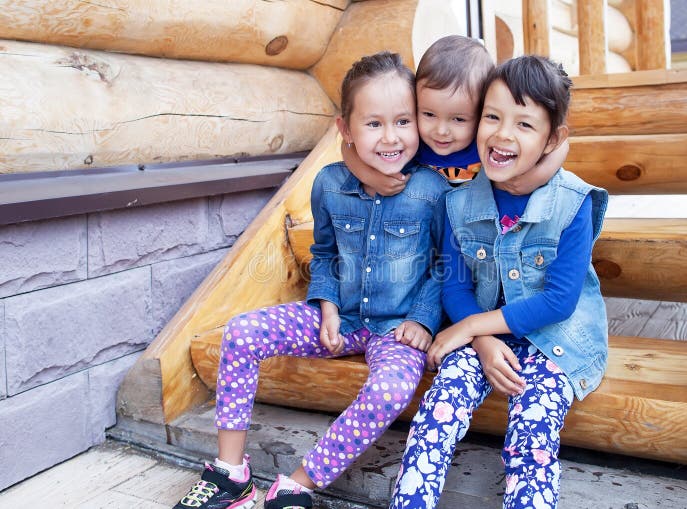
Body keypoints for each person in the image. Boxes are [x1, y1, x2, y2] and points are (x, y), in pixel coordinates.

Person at [173, 51, 450, 509]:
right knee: (241, 333)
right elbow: (322, 253)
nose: (390, 137)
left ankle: (297, 484)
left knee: (391, 389)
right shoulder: (328, 184)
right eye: (373, 124)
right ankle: (231, 476)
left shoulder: (432, 191)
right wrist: (327, 305)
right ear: (345, 130)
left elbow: (446, 263)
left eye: (403, 121)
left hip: (397, 330)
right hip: (338, 318)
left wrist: (423, 318)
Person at [389, 55, 609, 509]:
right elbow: (455, 287)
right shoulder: (460, 204)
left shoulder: (573, 204)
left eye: (525, 125)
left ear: (554, 139)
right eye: (492, 117)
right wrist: (483, 342)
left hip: (555, 341)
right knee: (439, 408)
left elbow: (559, 302)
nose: (503, 134)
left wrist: (470, 328)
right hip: (484, 335)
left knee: (532, 428)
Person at [343, 35, 568, 196]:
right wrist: (370, 177)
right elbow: (347, 144)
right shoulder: (413, 142)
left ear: (481, 114)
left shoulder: (487, 147)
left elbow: (560, 144)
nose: (441, 131)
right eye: (429, 114)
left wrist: (537, 177)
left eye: (459, 119)